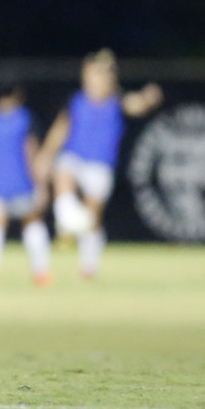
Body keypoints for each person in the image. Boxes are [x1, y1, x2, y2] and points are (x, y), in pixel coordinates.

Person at [37, 49, 162, 279]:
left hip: (100, 165)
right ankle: (68, 217)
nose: (96, 80)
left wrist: (147, 98)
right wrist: (45, 155)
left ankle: (88, 266)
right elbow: (61, 129)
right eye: (92, 74)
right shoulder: (77, 101)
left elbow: (136, 104)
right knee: (62, 171)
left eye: (101, 74)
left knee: (92, 219)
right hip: (75, 157)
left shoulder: (116, 101)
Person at [0, 77, 51, 286]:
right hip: (21, 184)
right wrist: (41, 186)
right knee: (32, 223)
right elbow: (31, 153)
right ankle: (41, 274)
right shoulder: (24, 119)